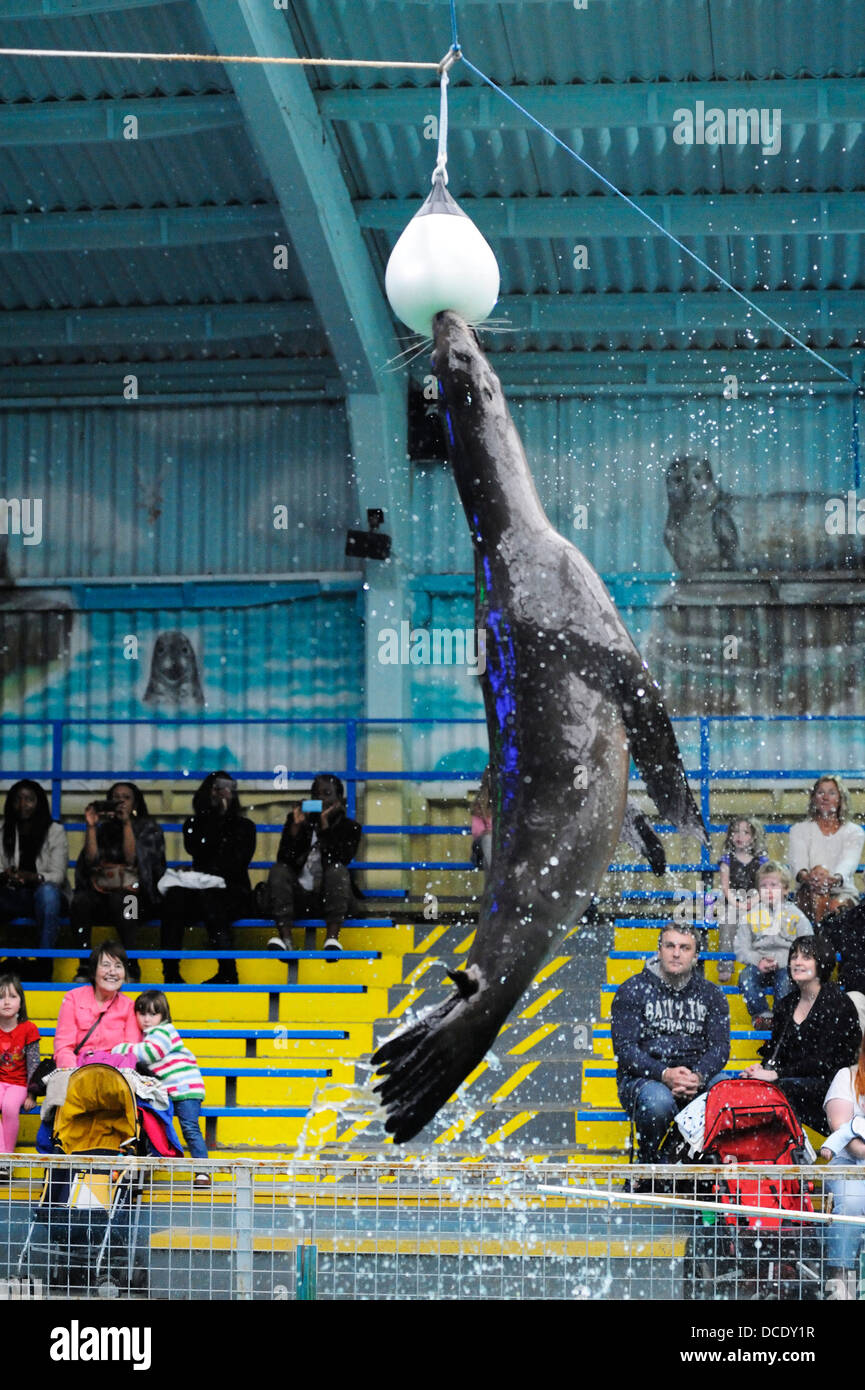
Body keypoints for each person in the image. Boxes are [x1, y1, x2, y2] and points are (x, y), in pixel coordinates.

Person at [611, 922, 730, 1167]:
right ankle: (650, 1162)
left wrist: (697, 1076)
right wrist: (664, 1074)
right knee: (659, 1101)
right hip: (644, 1079)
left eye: (685, 948)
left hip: (696, 1076)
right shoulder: (632, 990)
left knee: (725, 1092)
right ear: (659, 951)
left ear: (696, 956)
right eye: (670, 946)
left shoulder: (712, 994)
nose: (676, 953)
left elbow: (720, 1047)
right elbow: (625, 1050)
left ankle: (703, 1165)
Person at [741, 934, 861, 1132]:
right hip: (790, 1082)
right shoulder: (786, 1005)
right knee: (748, 1084)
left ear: (821, 962)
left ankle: (790, 1150)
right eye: (794, 957)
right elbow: (775, 1052)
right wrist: (759, 1070)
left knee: (778, 1091)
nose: (797, 962)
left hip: (831, 1087)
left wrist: (776, 1074)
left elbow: (826, 1062)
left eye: (806, 957)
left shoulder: (838, 1004)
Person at [160, 771, 256, 985]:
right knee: (174, 896)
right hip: (201, 892)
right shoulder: (193, 824)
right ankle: (171, 972)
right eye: (213, 788)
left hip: (232, 893)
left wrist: (225, 818)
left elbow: (236, 863)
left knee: (209, 897)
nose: (218, 793)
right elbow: (197, 847)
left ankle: (228, 971)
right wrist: (214, 817)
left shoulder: (245, 827)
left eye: (223, 788)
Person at [70, 781, 166, 984]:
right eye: (116, 797)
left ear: (136, 803)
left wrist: (126, 824)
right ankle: (85, 965)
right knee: (80, 901)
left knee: (125, 901)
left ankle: (131, 966)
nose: (120, 801)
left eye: (126, 798)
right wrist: (91, 827)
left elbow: (134, 860)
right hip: (103, 892)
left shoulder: (149, 828)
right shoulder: (103, 829)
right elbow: (90, 861)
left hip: (140, 898)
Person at [111, 989, 210, 1185]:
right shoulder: (151, 1033)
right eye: (142, 1013)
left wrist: (122, 1048)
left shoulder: (163, 1031)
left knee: (190, 1128)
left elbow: (150, 1053)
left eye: (153, 1014)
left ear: (163, 1015)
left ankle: (203, 1171)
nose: (147, 1019)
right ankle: (150, 1163)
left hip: (186, 1089)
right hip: (172, 1091)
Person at [265, 774, 361, 954]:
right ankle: (286, 939)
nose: (321, 799)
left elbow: (340, 858)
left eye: (327, 794)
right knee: (279, 870)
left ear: (338, 799)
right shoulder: (298, 821)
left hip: (331, 898)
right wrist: (296, 829)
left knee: (337, 870)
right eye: (316, 794)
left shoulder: (350, 827)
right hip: (299, 898)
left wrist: (325, 827)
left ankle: (332, 938)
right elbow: (284, 859)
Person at [0, 780, 69, 980]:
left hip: (50, 897)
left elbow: (58, 876)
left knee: (47, 893)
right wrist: (7, 875)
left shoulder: (54, 831)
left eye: (29, 799)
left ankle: (44, 965)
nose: (23, 804)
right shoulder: (4, 830)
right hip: (15, 895)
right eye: (18, 800)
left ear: (39, 802)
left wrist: (33, 877)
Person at [733, 861, 812, 1029]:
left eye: (774, 885)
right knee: (746, 978)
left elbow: (807, 943)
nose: (768, 890)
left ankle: (780, 1018)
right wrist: (758, 961)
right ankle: (762, 1015)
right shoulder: (751, 916)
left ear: (785, 889)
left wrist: (785, 962)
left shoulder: (796, 915)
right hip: (759, 964)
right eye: (763, 886)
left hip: (787, 965)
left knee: (785, 981)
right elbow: (741, 947)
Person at [818, 1031, 865, 1299]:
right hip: (849, 1166)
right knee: (853, 1201)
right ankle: (840, 1282)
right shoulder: (846, 1077)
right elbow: (849, 1141)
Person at [54, 939, 142, 1068]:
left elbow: (130, 1053)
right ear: (93, 971)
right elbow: (64, 1048)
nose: (112, 971)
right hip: (77, 1071)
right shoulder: (73, 998)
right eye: (106, 965)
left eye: (118, 966)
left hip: (114, 1075)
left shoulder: (129, 1006)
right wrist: (74, 1074)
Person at [788, 775, 863, 925]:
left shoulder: (854, 832)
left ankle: (820, 941)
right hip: (807, 890)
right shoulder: (799, 829)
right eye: (821, 792)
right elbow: (798, 863)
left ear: (841, 799)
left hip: (843, 892)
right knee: (814, 898)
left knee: (836, 907)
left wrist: (833, 879)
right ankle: (816, 940)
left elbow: (849, 863)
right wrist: (811, 879)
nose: (825, 797)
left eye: (832, 793)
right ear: (814, 798)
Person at [715, 816, 768, 981]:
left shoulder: (760, 862)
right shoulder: (727, 860)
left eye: (746, 832)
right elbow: (725, 887)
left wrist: (752, 902)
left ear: (754, 837)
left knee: (761, 921)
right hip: (733, 899)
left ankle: (761, 962)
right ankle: (725, 965)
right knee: (727, 921)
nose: (739, 836)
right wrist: (736, 903)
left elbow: (762, 888)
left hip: (755, 898)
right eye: (735, 831)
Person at [0, 973, 39, 1160]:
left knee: (8, 1107)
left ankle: (7, 1158)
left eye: (12, 996)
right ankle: (2, 1157)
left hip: (19, 1085)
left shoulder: (29, 1029)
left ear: (21, 1002)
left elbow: (33, 1064)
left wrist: (32, 1093)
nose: (6, 1002)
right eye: (1, 997)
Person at [470, 767, 493, 873]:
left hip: (501, 847)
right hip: (483, 847)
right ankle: (496, 873)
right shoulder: (481, 802)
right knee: (488, 840)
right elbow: (476, 831)